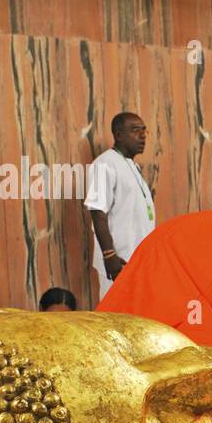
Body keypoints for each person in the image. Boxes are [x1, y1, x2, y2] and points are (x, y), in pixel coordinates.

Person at [85, 112, 156, 300]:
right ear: (118, 135)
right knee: (115, 314)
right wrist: (109, 256)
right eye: (135, 130)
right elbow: (97, 211)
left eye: (144, 131)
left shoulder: (132, 166)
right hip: (119, 263)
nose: (142, 136)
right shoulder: (104, 163)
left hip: (137, 261)